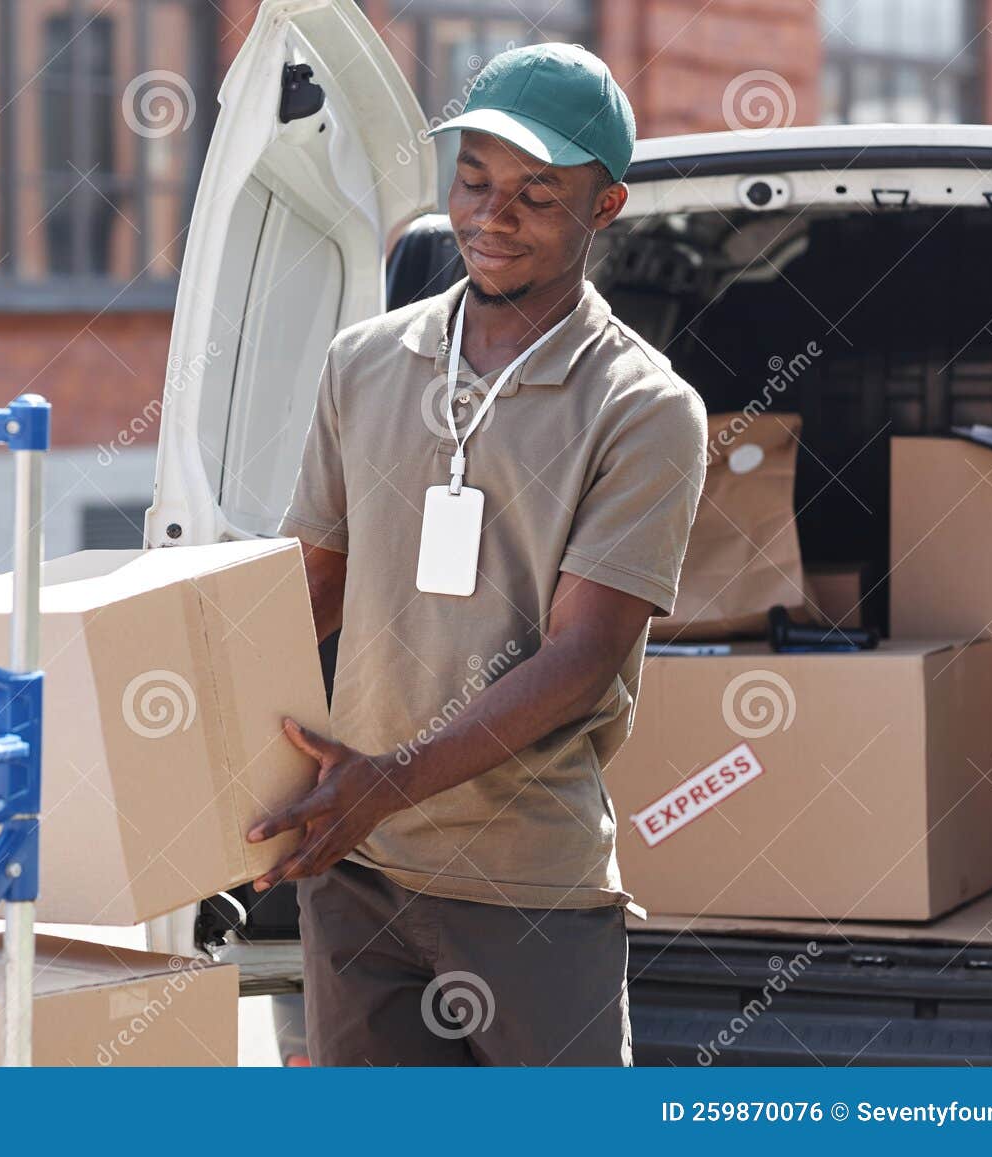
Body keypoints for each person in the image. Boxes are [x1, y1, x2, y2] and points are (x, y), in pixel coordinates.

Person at [245, 43, 709, 1066]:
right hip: (355, 865)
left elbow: (580, 656)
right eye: (474, 180)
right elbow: (306, 585)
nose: (491, 215)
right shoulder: (363, 361)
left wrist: (385, 781)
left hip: (525, 883)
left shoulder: (643, 407)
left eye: (536, 193)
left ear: (604, 207)